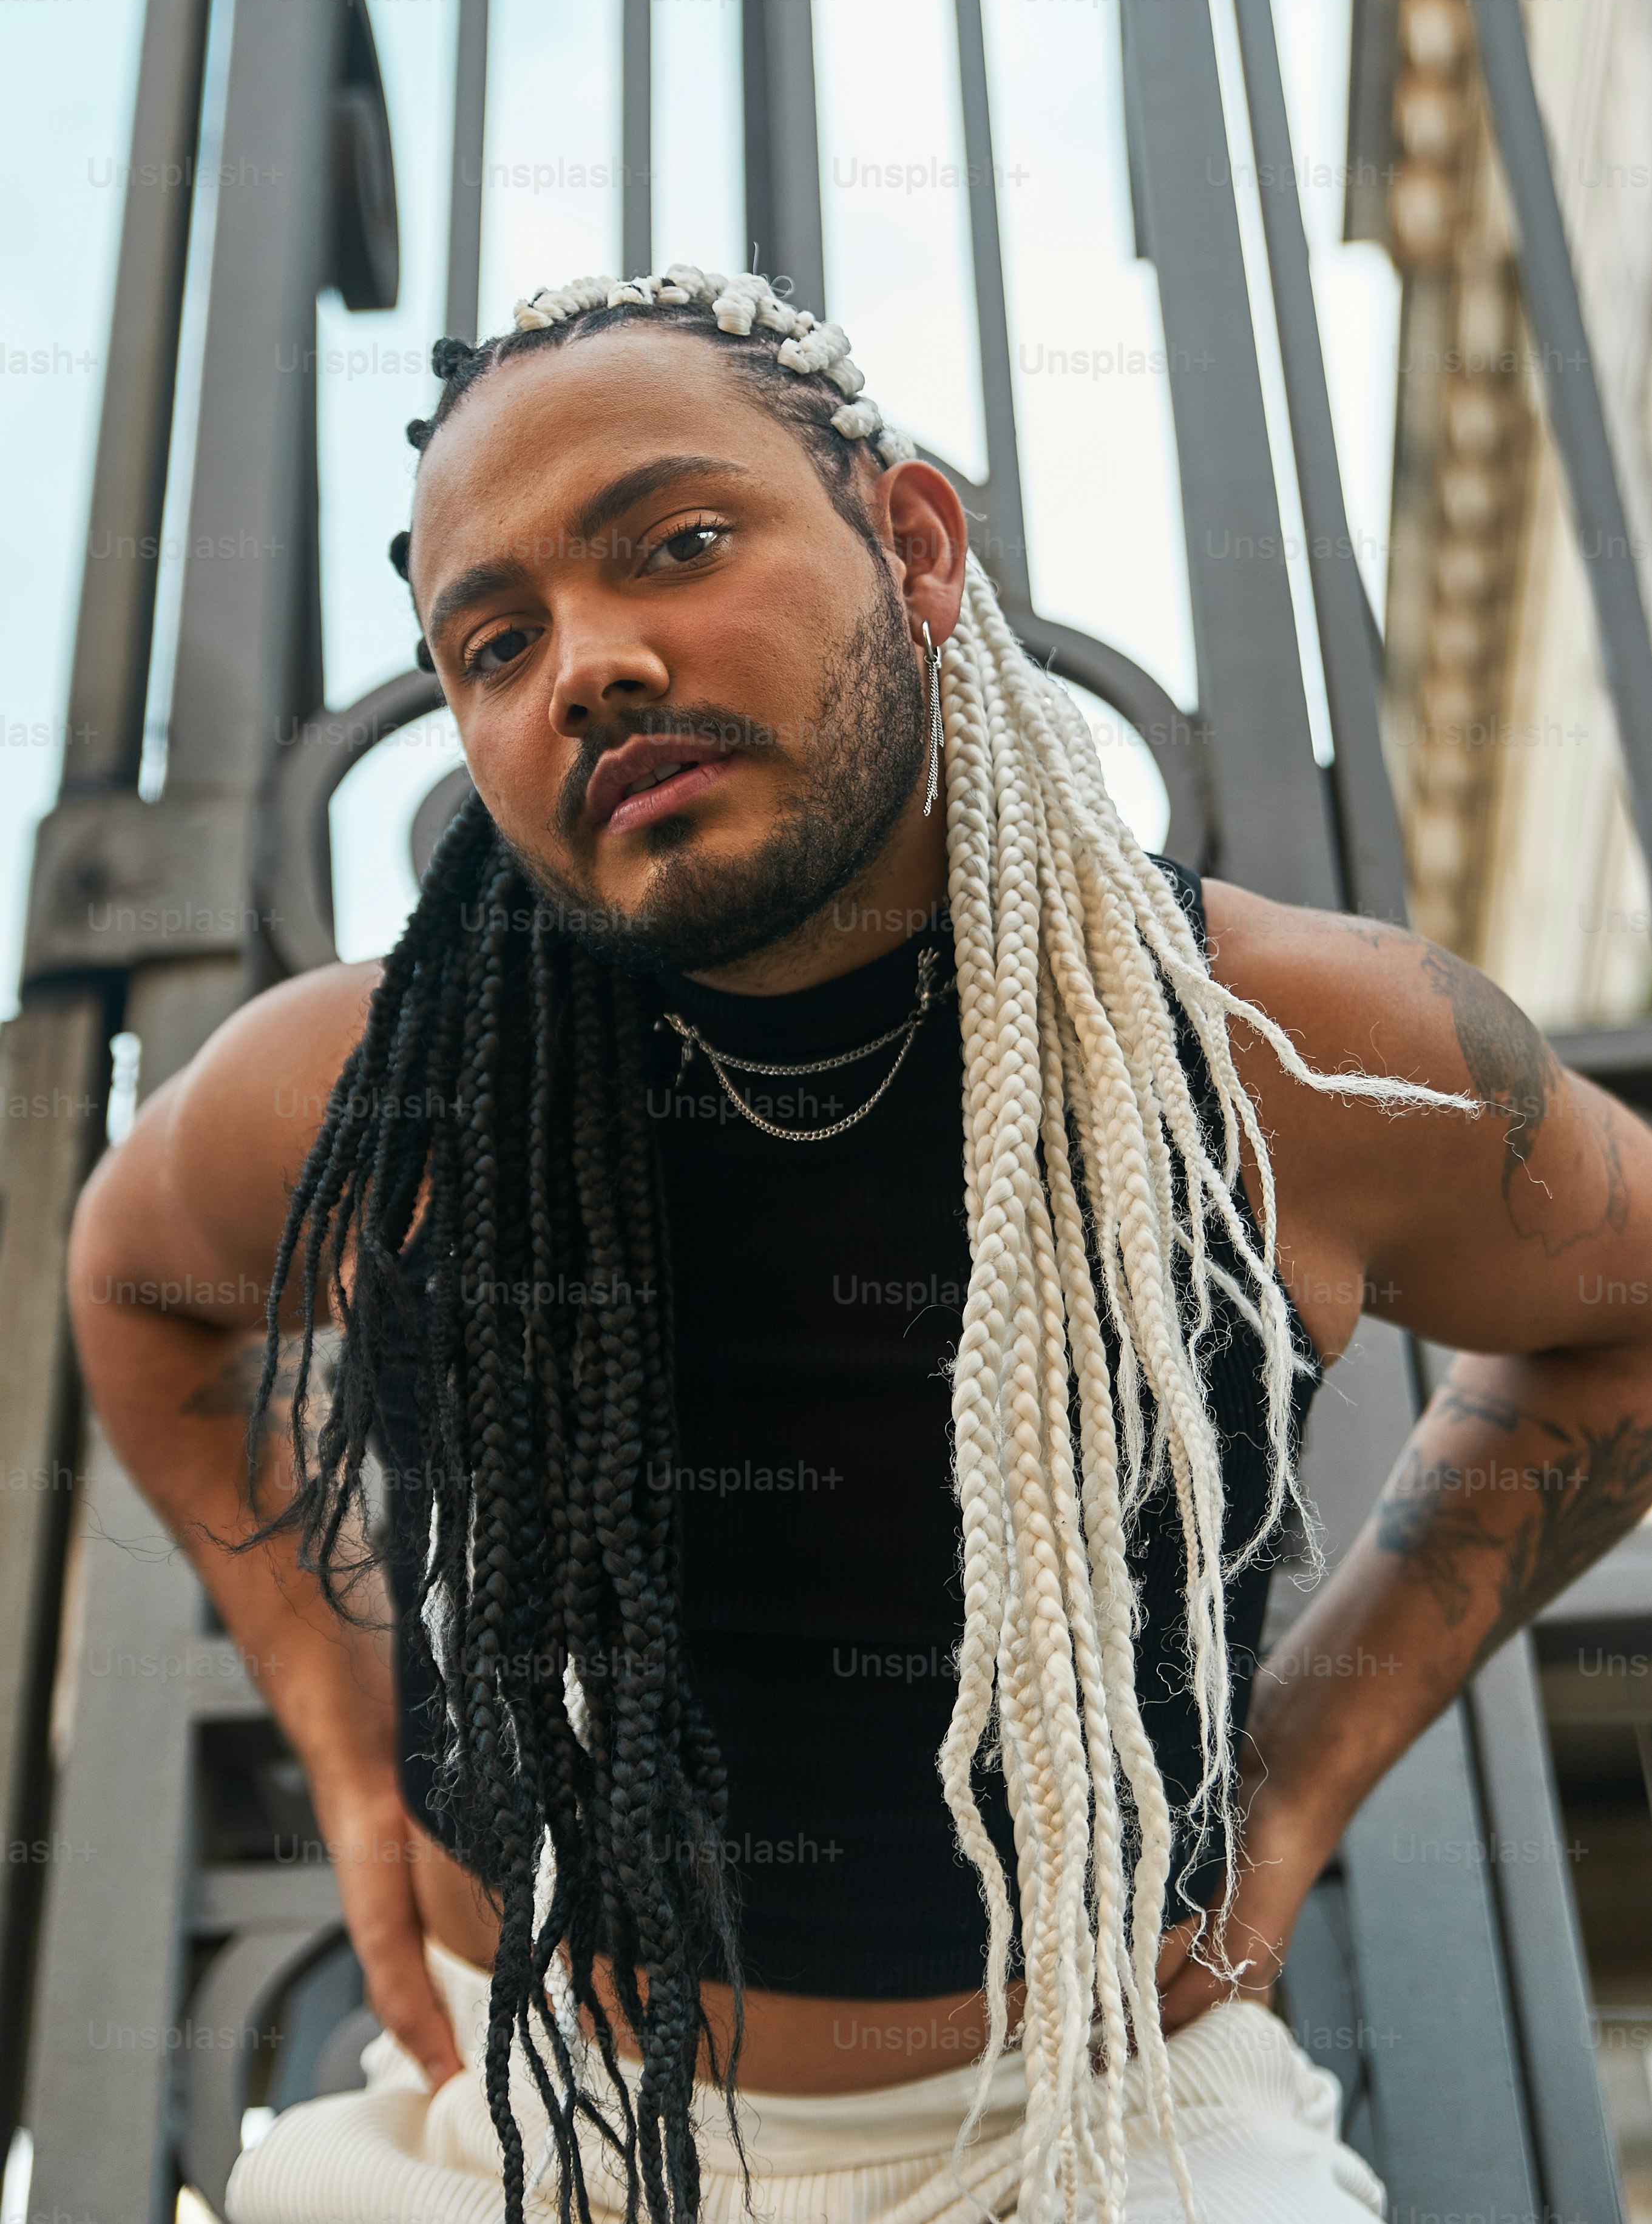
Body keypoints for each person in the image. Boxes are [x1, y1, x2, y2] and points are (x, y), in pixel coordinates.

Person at [70, 264, 1652, 2224]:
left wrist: (1309, 1769)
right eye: (494, 642)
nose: (587, 665)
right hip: (521, 2124)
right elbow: (135, 1285)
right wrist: (334, 1718)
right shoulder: (359, 1086)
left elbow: (1625, 1309)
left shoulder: (1289, 1048)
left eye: (677, 543)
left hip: (1106, 2130)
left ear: (911, 542)